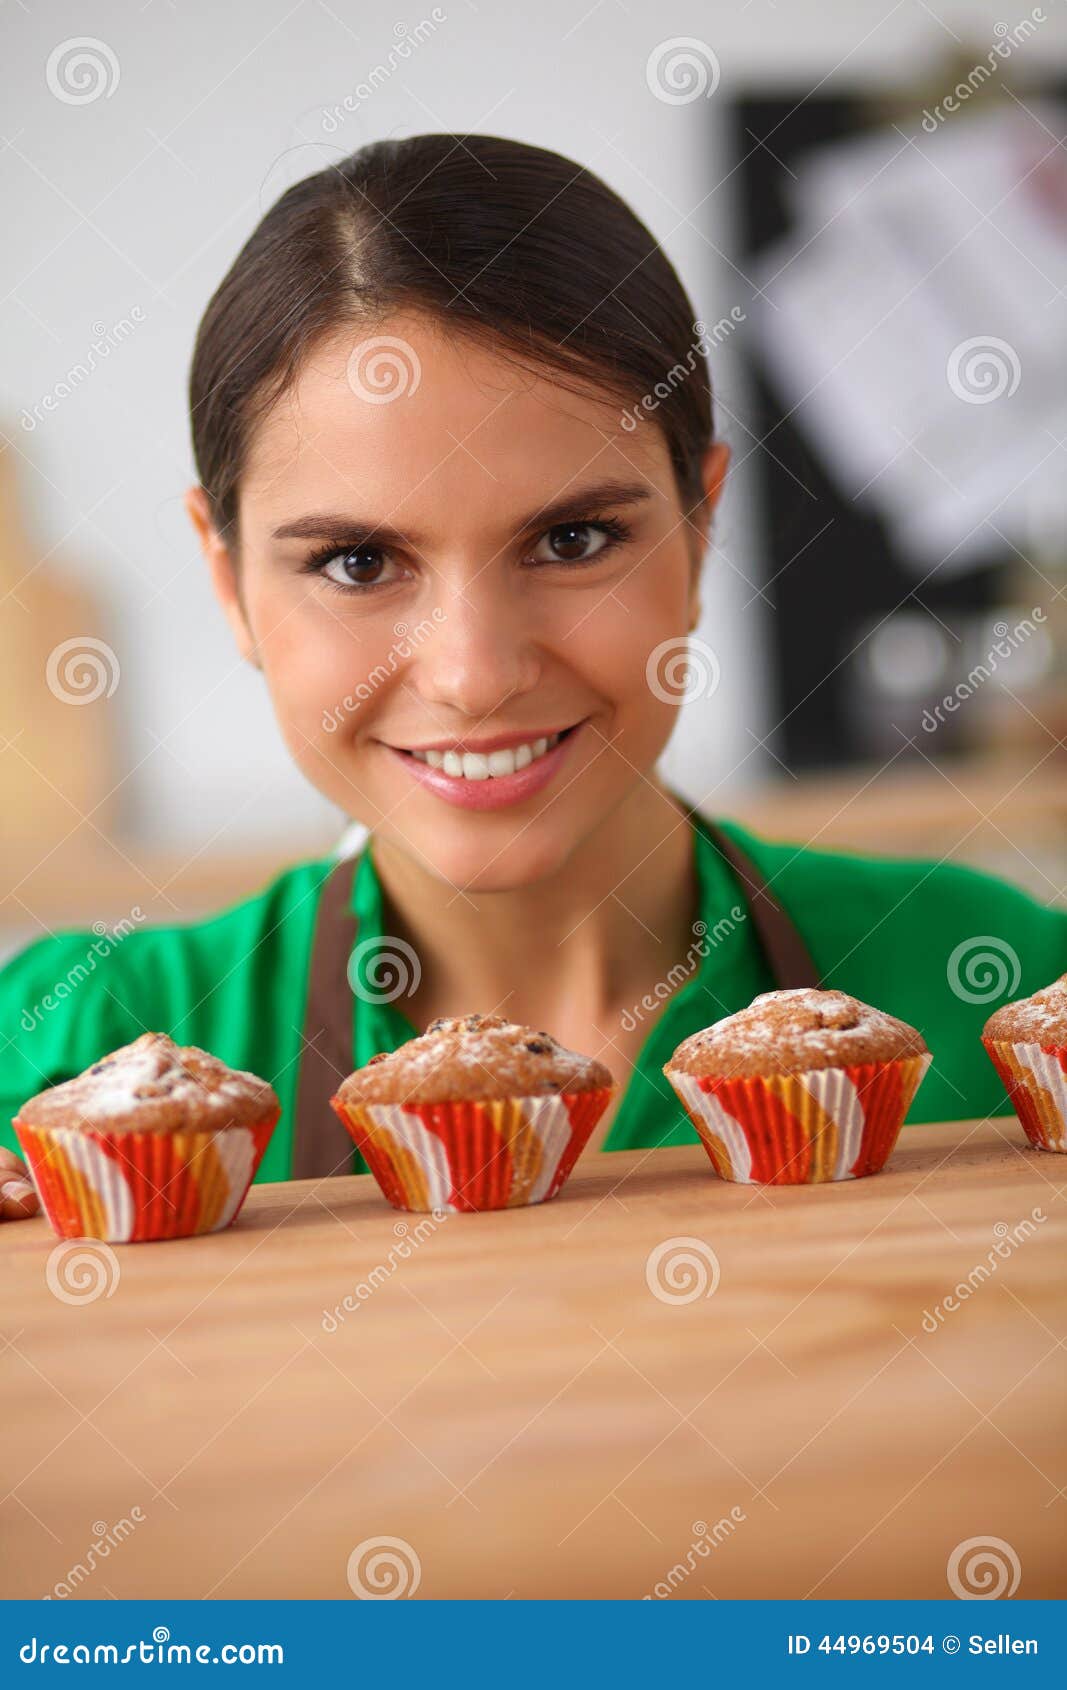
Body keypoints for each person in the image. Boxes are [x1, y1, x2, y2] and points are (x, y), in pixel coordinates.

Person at [2, 132, 1064, 1220]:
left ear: (698, 533)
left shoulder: (1007, 976)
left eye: (571, 541)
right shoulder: (52, 1053)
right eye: (358, 562)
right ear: (227, 581)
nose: (474, 676)